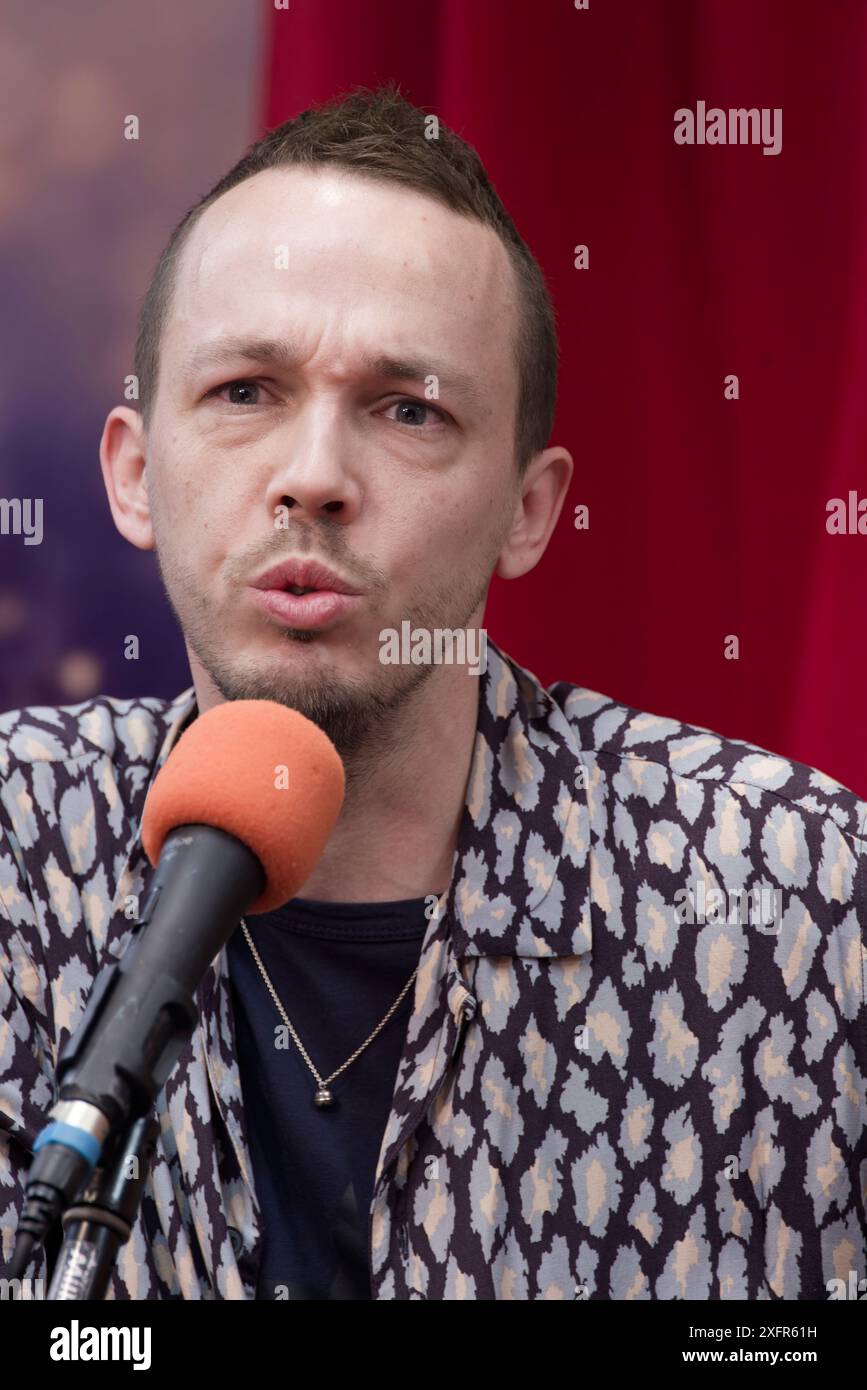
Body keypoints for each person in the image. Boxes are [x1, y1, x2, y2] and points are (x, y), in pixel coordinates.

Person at [1, 83, 865, 1302]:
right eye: (245, 391)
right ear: (135, 475)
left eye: (408, 410)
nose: (313, 477)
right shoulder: (13, 853)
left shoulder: (800, 905)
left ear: (529, 508)